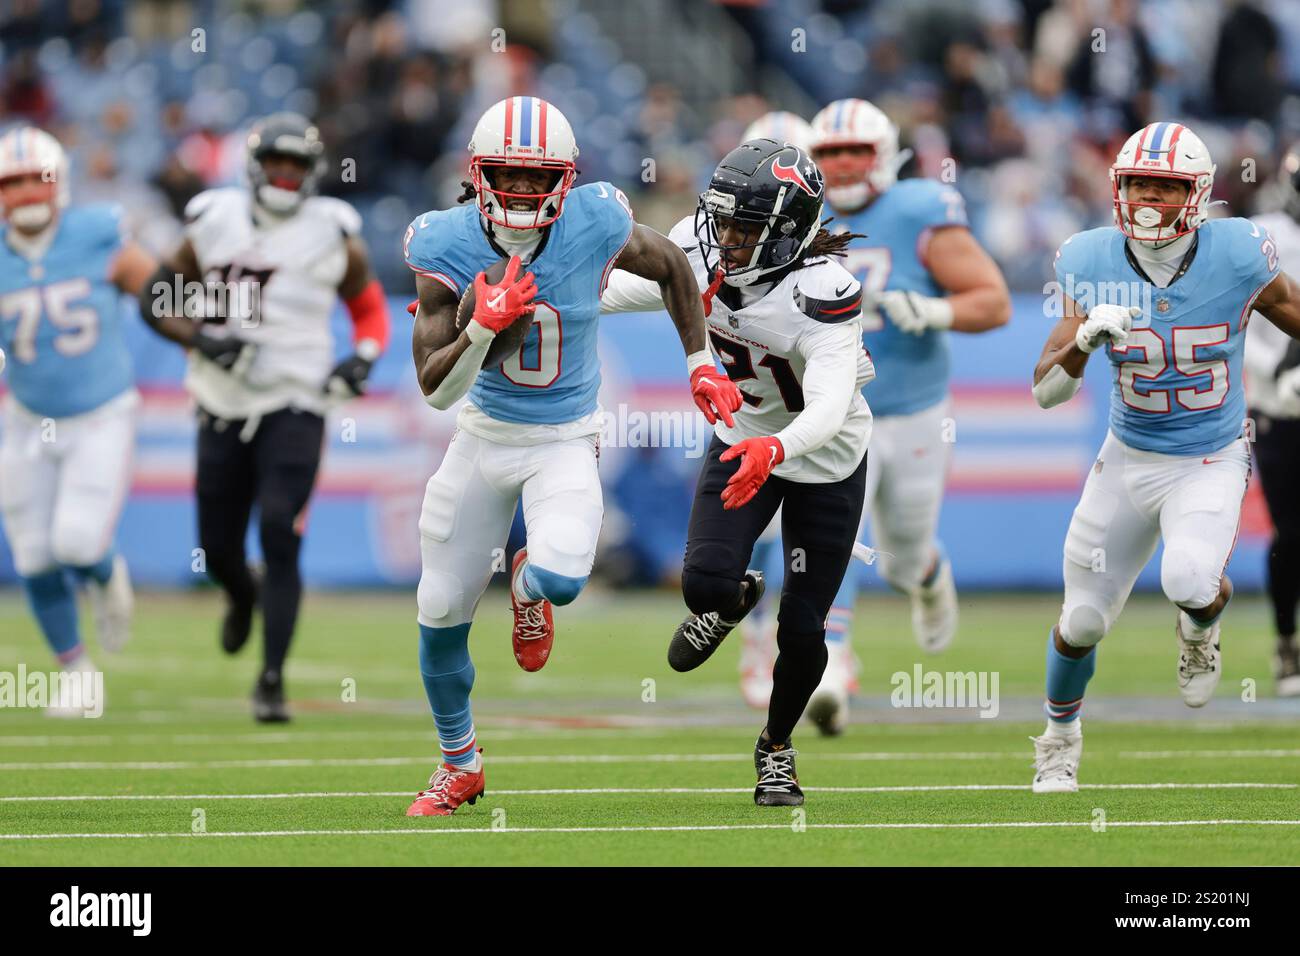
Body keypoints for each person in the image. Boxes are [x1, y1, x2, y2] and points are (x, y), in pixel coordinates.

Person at [403, 96, 738, 817]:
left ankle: (525, 591)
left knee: (559, 577)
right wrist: (483, 331)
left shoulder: (597, 219)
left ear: (565, 178)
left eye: (537, 177)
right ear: (478, 173)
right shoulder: (442, 243)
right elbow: (435, 390)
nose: (522, 191)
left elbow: (675, 264)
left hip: (563, 439)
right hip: (483, 434)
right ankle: (459, 763)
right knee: (438, 607)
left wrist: (699, 362)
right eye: (507, 176)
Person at [1029, 122, 1300, 791]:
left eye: (1166, 185)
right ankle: (1059, 738)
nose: (1149, 196)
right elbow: (1045, 393)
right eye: (1139, 183)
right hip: (1128, 457)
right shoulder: (1089, 260)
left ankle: (1200, 630)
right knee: (1083, 619)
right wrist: (1083, 343)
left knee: (1187, 580)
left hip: (1209, 457)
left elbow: (1294, 309)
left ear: (1198, 194)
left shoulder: (1238, 252)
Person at [602, 138, 873, 806]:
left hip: (822, 455)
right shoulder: (696, 254)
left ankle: (776, 748)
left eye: (746, 227)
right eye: (721, 219)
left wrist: (776, 451)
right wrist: (527, 292)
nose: (725, 237)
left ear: (790, 232)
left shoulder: (825, 292)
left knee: (804, 630)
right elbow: (609, 291)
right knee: (702, 583)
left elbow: (831, 409)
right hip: (742, 432)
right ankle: (732, 601)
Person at [139, 112, 391, 723]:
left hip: (297, 399)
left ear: (312, 174)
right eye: (276, 162)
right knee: (218, 548)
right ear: (254, 167)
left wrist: (361, 358)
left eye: (296, 165)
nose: (285, 174)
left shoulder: (334, 232)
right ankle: (239, 595)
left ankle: (272, 679)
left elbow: (369, 310)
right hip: (222, 401)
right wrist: (201, 339)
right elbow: (155, 298)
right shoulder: (213, 220)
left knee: (280, 528)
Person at [787, 98, 1010, 735]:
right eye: (830, 153)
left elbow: (992, 302)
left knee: (901, 556)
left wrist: (937, 312)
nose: (844, 164)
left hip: (911, 410)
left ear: (885, 155)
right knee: (829, 539)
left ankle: (929, 575)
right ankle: (829, 666)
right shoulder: (797, 210)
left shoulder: (919, 208)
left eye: (856, 150)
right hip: (830, 411)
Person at [0, 126, 156, 716]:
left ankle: (106, 569)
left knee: (76, 541)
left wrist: (202, 334)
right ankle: (78, 672)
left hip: (100, 413)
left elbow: (160, 291)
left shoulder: (97, 231)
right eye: (10, 183)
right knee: (34, 556)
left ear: (58, 181)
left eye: (31, 179)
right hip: (26, 417)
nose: (22, 193)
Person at [1243, 146, 1300, 697]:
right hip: (1277, 409)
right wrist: (1278, 376)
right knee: (1292, 531)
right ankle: (1287, 644)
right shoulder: (1262, 234)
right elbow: (1234, 324)